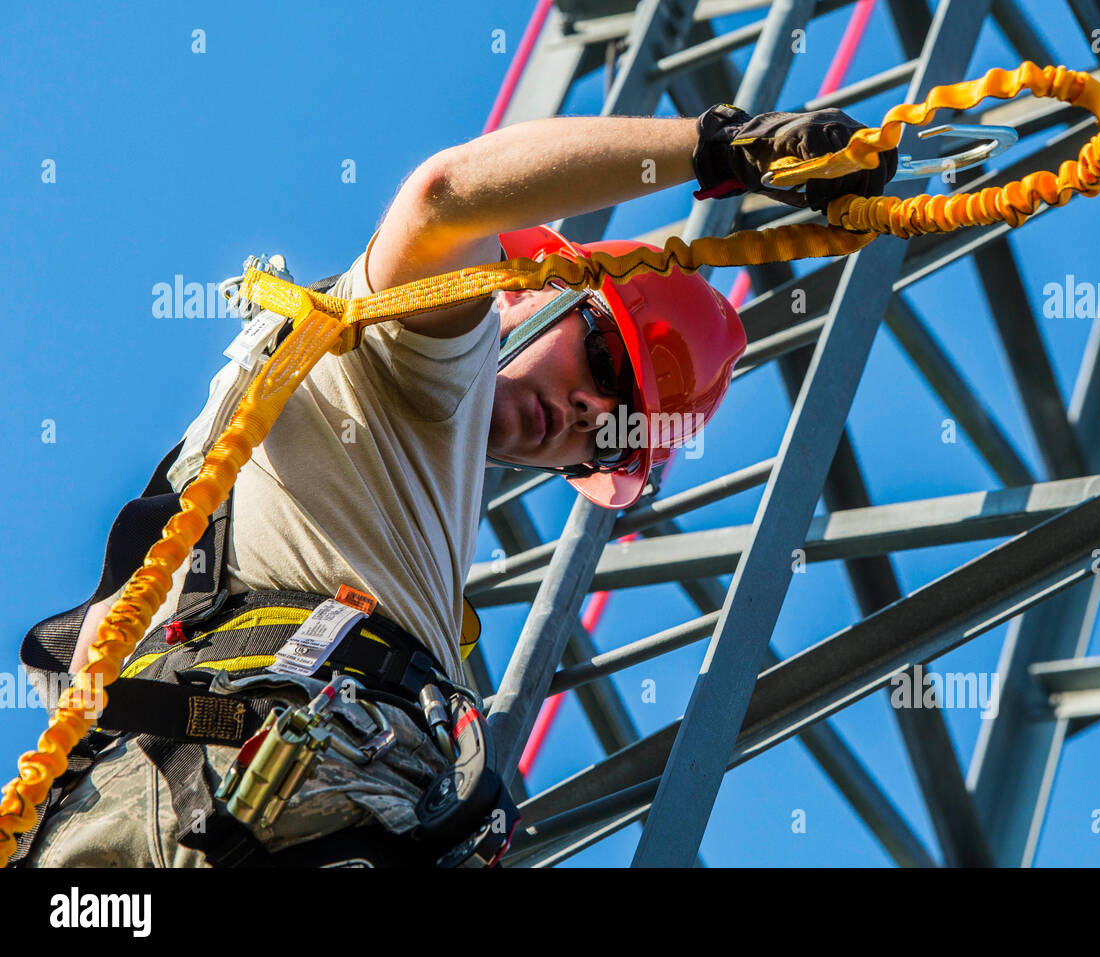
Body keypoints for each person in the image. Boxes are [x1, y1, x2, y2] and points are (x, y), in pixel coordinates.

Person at [16, 105, 896, 867]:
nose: (588, 410)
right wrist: (718, 147)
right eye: (600, 357)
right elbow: (443, 199)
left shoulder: (355, 454)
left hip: (147, 804)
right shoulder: (425, 356)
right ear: (530, 293)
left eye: (612, 427)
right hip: (272, 796)